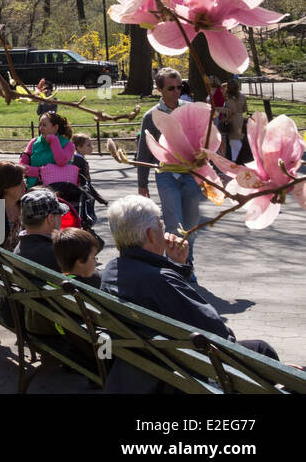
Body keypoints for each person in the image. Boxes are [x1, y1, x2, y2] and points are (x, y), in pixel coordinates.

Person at [101, 195, 281, 392]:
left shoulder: (112, 270)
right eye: (161, 225)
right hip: (175, 374)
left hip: (140, 369)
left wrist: (177, 264)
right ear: (151, 234)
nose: (165, 230)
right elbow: (217, 333)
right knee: (262, 350)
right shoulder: (160, 280)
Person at [135, 66, 202, 276]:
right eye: (171, 88)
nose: (176, 91)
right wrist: (142, 183)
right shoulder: (151, 116)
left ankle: (186, 260)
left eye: (179, 87)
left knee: (190, 224)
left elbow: (201, 141)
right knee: (174, 222)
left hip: (190, 174)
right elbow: (144, 151)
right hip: (165, 175)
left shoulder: (189, 110)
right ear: (160, 89)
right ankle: (178, 268)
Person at [14, 187, 67, 272]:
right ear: (50, 219)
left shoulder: (20, 247)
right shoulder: (58, 254)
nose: (61, 218)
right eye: (60, 215)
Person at [20, 112, 77, 186]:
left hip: (58, 190)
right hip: (33, 189)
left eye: (44, 125)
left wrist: (54, 141)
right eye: (40, 125)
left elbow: (61, 162)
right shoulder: (34, 142)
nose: (41, 128)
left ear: (55, 127)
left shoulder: (68, 144)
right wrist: (39, 172)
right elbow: (21, 165)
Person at [222, 77, 248, 162]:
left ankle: (237, 159)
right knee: (235, 140)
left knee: (234, 141)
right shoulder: (243, 96)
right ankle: (235, 159)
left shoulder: (229, 98)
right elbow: (245, 109)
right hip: (240, 118)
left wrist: (227, 119)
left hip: (232, 119)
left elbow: (231, 111)